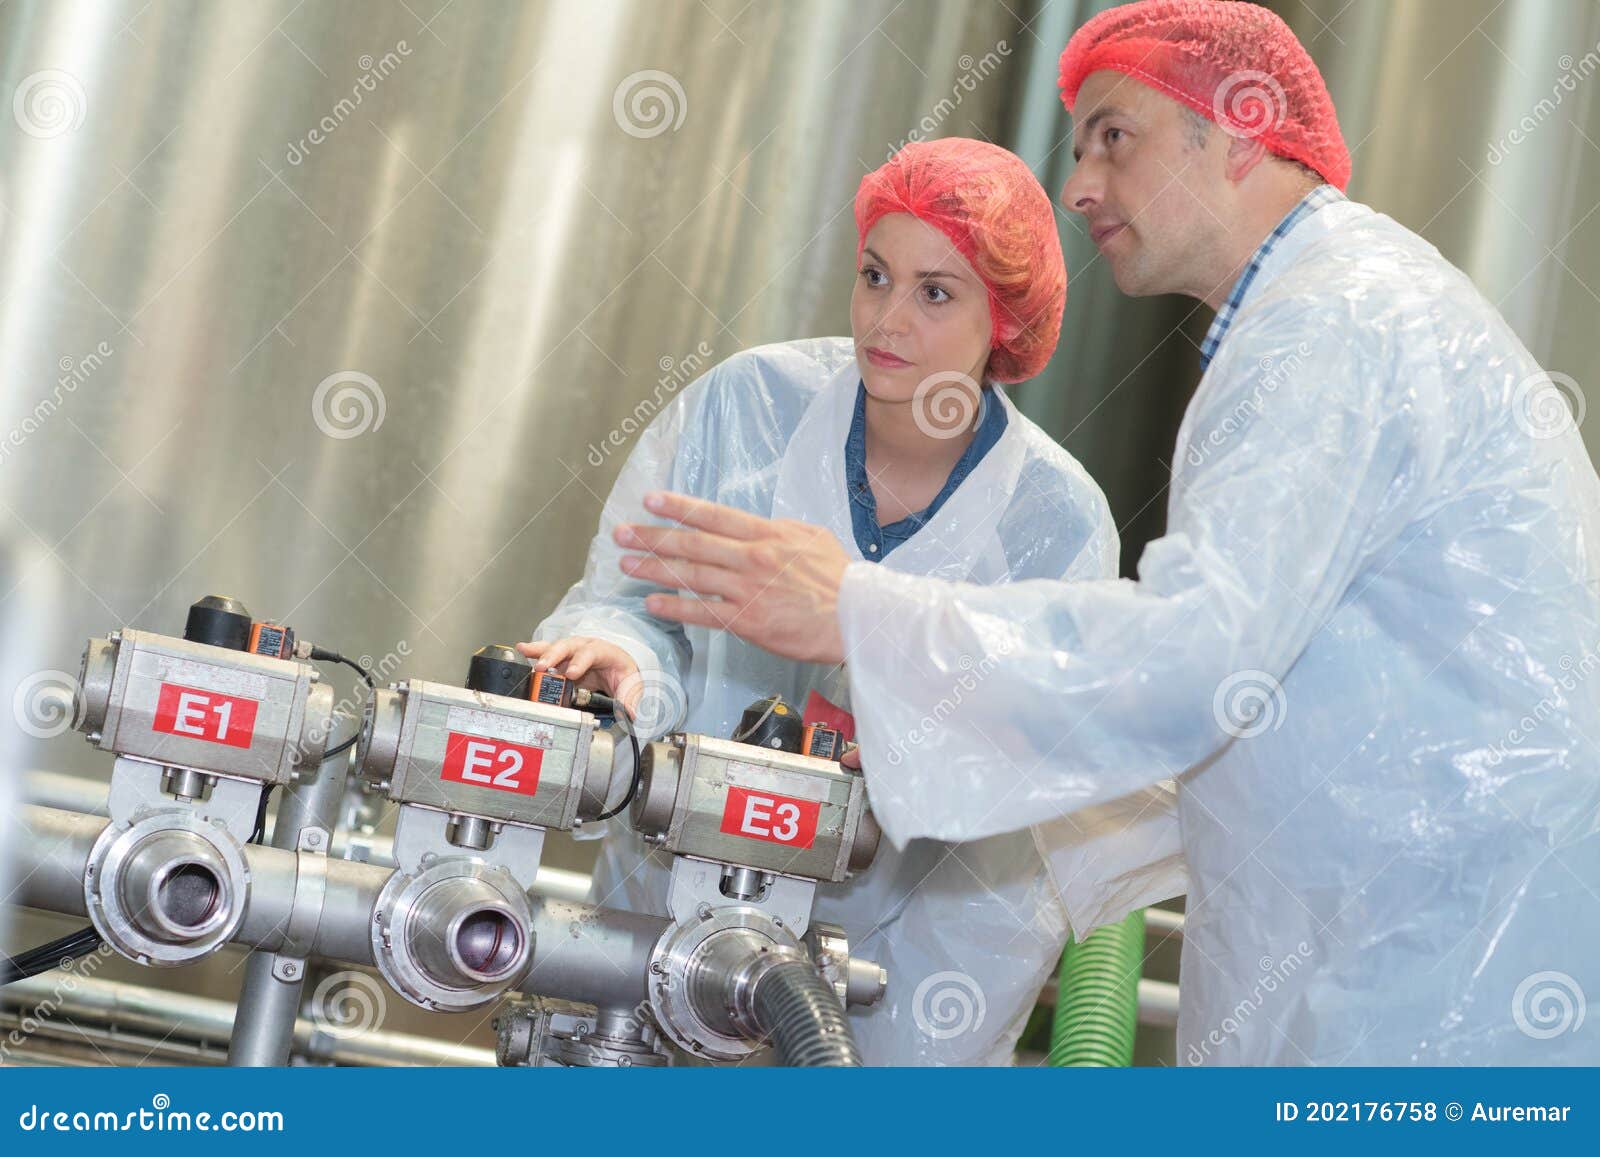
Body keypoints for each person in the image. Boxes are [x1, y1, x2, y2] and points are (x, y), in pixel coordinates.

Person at [612, 0, 1600, 1064]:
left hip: (1441, 974)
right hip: (1404, 940)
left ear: (1234, 131)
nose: (1078, 185)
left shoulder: (1333, 322)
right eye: (1077, 148)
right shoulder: (1322, 309)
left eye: (1113, 138)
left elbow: (1194, 660)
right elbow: (1265, 696)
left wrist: (859, 610)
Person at [527, 137, 1184, 1064]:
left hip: (903, 961)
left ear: (1004, 318)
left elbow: (1021, 774)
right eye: (876, 274)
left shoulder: (1055, 520)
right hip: (672, 920)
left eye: (935, 292)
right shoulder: (745, 408)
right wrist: (620, 661)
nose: (888, 318)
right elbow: (636, 601)